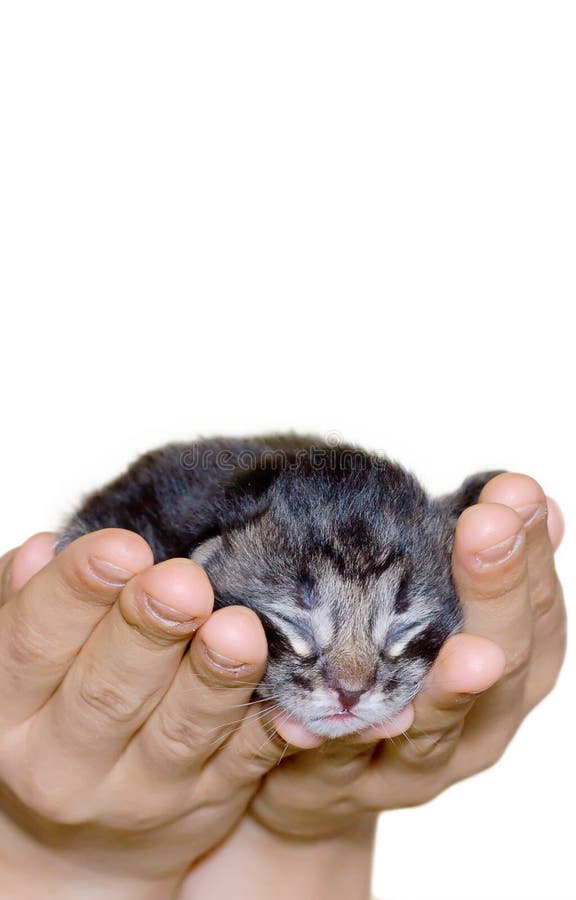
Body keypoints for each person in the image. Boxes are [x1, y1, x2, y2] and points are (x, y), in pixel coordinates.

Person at [0, 473, 566, 900]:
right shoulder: (177, 534)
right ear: (204, 562)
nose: (352, 683)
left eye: (403, 629)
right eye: (296, 626)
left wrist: (300, 835)